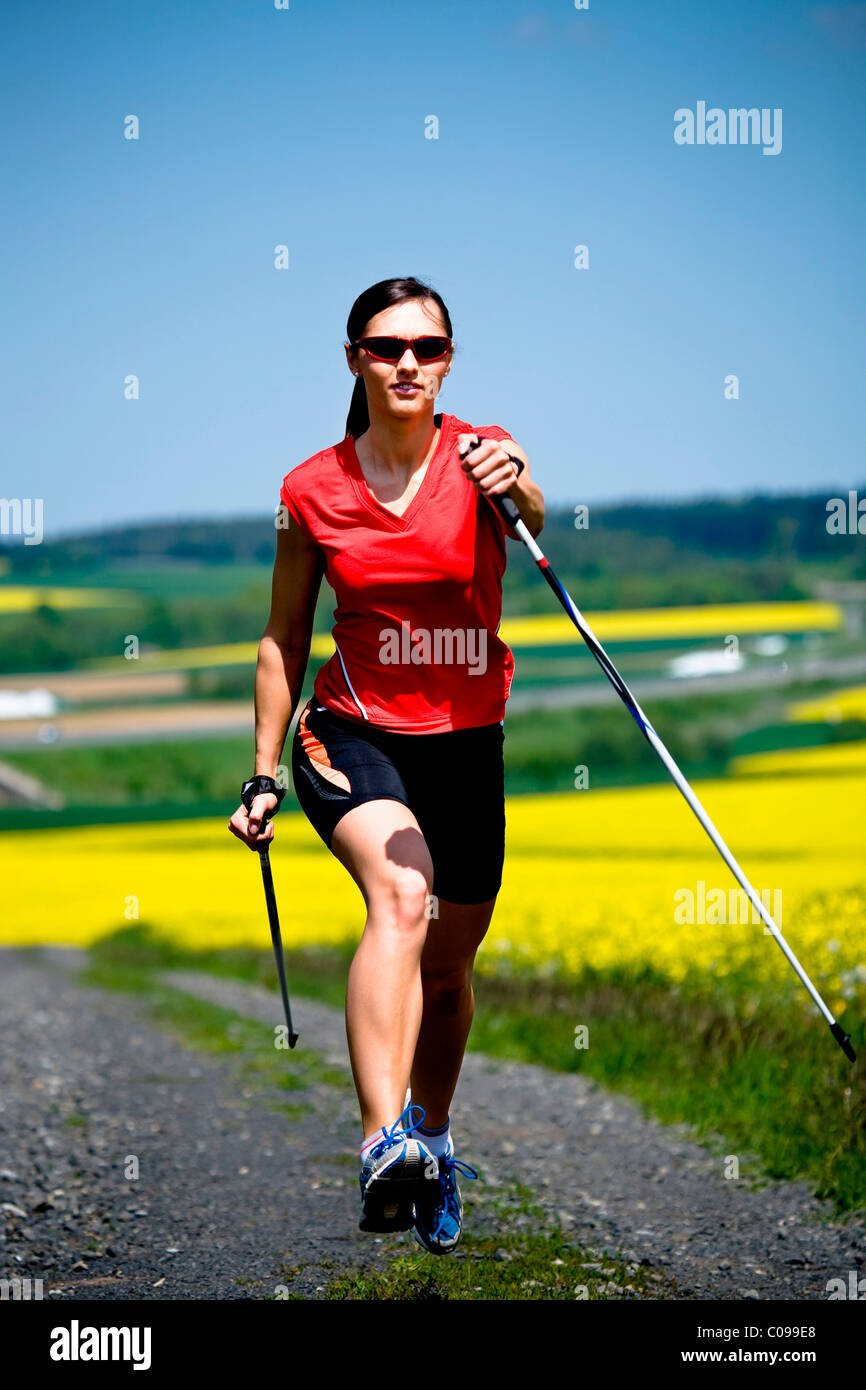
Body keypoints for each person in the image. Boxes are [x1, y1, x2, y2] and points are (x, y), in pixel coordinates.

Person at [228, 275, 544, 1255]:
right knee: (400, 896)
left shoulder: (483, 453)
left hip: (464, 741)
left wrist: (519, 488)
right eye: (386, 346)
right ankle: (378, 1141)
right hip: (351, 730)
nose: (407, 362)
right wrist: (263, 769)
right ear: (355, 358)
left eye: (427, 347)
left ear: (447, 359)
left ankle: (433, 1139)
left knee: (447, 974)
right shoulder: (308, 490)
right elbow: (282, 635)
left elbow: (538, 508)